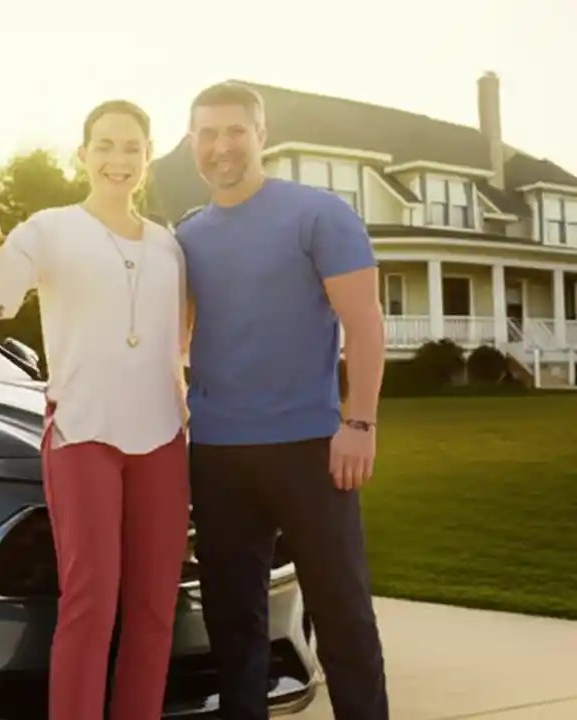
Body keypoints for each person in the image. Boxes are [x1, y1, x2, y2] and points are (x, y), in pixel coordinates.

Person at [0, 100, 190, 720]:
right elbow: (0, 280)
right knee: (90, 603)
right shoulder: (52, 229)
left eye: (132, 147)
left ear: (148, 156)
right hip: (84, 436)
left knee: (154, 609)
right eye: (104, 145)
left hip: (164, 439)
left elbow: (178, 339)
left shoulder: (169, 246)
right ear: (82, 155)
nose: (118, 159)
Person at [174, 81, 390, 720]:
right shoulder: (187, 236)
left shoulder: (318, 215)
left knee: (342, 614)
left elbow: (365, 323)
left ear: (261, 135)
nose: (221, 146)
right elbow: (177, 341)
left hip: (311, 450)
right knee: (233, 623)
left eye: (235, 131)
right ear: (191, 142)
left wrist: (360, 421)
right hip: (217, 454)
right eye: (208, 134)